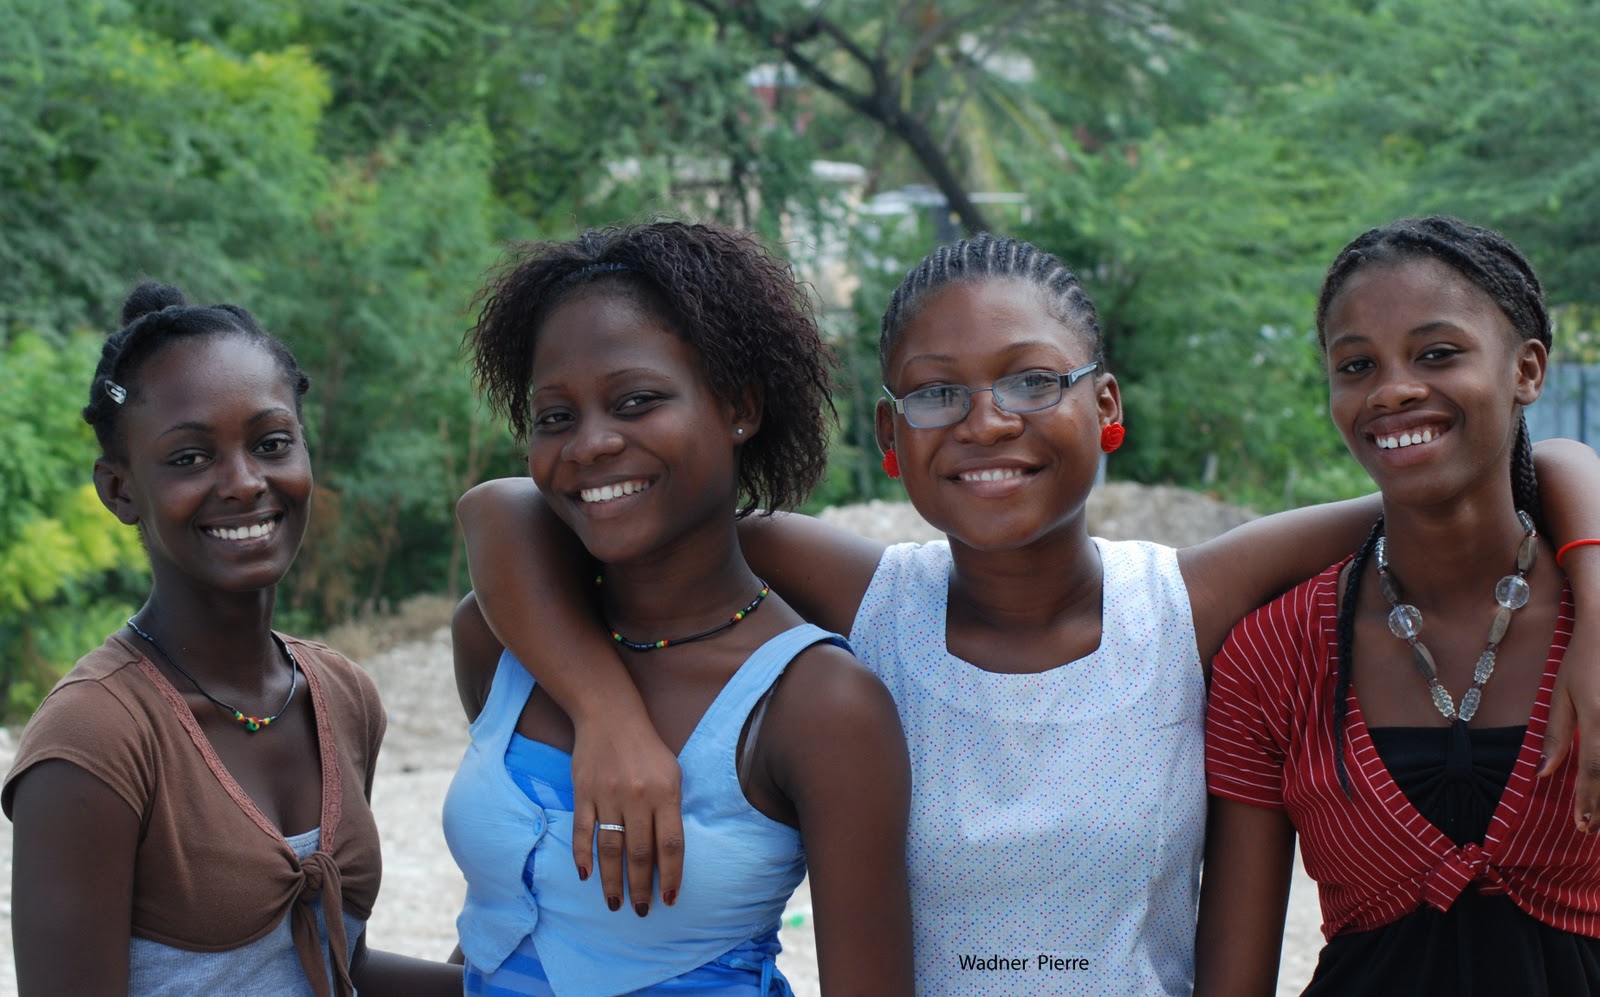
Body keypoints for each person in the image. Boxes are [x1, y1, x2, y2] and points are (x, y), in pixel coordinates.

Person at [458, 233, 1600, 995]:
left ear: (1104, 405)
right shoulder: (860, 599)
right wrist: (603, 705)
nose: (985, 420)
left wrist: (1590, 593)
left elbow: (1496, 462)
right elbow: (516, 511)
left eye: (1029, 378)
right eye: (937, 391)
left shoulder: (1184, 605)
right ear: (890, 434)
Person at [442, 221, 914, 996]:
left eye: (636, 401)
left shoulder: (821, 703)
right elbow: (504, 939)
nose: (591, 443)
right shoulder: (503, 644)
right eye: (555, 417)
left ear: (738, 407)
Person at [3, 282, 463, 997]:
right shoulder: (96, 737)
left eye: (271, 443)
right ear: (120, 490)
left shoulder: (341, 695)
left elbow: (341, 967)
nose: (245, 482)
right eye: (189, 458)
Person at [1196, 216, 1600, 996]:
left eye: (1437, 353)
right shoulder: (1274, 656)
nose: (1393, 389)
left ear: (1528, 369)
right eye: (1356, 364)